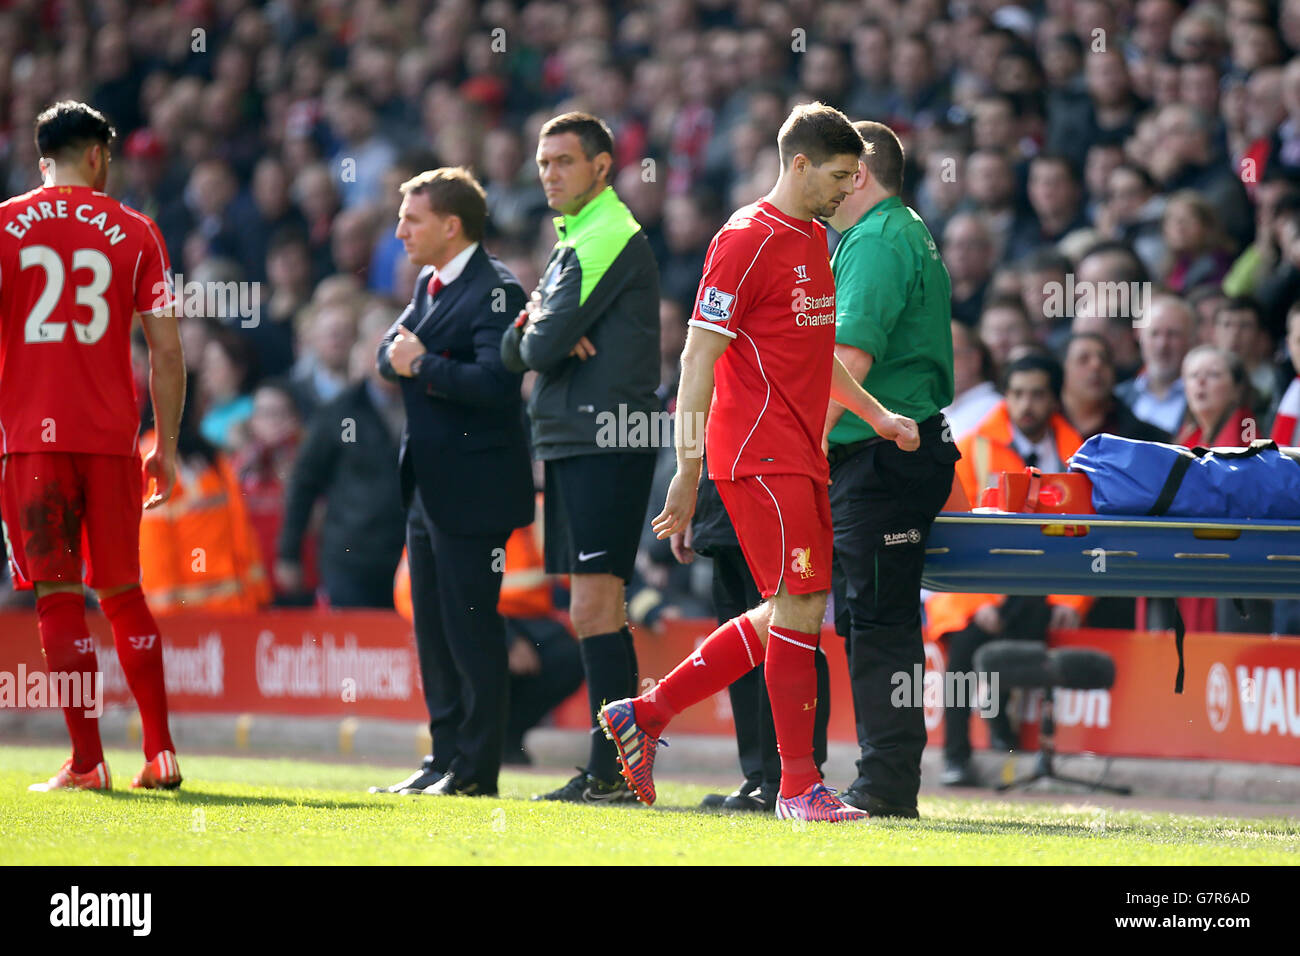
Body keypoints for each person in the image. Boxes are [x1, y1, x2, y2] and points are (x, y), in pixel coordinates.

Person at [596, 102, 920, 822]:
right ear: (798, 164)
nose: (847, 191)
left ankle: (645, 715)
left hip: (800, 452)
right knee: (802, 604)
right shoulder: (745, 239)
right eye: (838, 176)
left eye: (855, 178)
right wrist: (685, 469)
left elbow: (811, 355)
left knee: (783, 608)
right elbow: (696, 357)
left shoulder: (814, 237)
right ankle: (799, 787)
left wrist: (877, 415)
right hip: (757, 453)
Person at [1, 101, 185, 792]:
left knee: (56, 595)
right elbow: (166, 353)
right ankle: (161, 752)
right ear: (99, 156)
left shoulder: (3, 225)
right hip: (111, 441)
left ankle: (87, 762)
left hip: (32, 442)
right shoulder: (138, 231)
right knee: (122, 591)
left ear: (41, 159)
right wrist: (163, 445)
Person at [500, 112, 661, 803]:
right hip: (577, 440)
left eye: (564, 161)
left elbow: (532, 350)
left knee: (598, 602)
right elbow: (523, 346)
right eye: (543, 163)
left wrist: (543, 329)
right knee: (592, 607)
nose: (550, 174)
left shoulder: (604, 235)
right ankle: (616, 769)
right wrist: (541, 327)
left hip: (606, 438)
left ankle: (613, 771)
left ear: (602, 166)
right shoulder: (576, 240)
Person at [371, 167, 532, 797]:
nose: (400, 230)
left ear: (450, 225)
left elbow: (497, 386)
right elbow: (390, 350)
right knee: (434, 629)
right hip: (428, 486)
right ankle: (443, 758)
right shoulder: (430, 283)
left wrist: (421, 364)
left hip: (474, 490)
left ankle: (475, 771)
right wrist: (407, 360)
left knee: (471, 627)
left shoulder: (497, 290)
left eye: (411, 219)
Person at [821, 120, 961, 818]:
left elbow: (848, 362)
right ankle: (881, 777)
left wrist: (804, 447)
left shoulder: (874, 240)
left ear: (859, 174)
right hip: (901, 449)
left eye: (828, 169)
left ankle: (884, 786)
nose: (816, 184)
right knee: (874, 620)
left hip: (882, 455)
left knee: (880, 623)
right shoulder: (901, 230)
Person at [926, 354, 1091, 785]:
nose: (1026, 405)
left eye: (1037, 394)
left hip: (1040, 587)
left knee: (1031, 618)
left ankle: (1005, 729)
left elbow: (1088, 535)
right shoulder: (970, 447)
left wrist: (1071, 601)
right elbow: (950, 531)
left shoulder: (1079, 455)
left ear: (1054, 398)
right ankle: (957, 758)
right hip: (974, 588)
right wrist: (978, 601)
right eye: (1017, 394)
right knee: (963, 653)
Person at [676, 467, 831, 813]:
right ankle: (759, 776)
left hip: (772, 494)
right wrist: (691, 501)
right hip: (720, 503)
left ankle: (787, 778)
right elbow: (701, 428)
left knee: (789, 638)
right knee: (741, 651)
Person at [277, 317, 407, 609]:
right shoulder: (339, 413)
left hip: (413, 555)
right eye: (381, 350)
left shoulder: (429, 406)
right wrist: (289, 554)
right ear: (363, 356)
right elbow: (304, 483)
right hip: (353, 558)